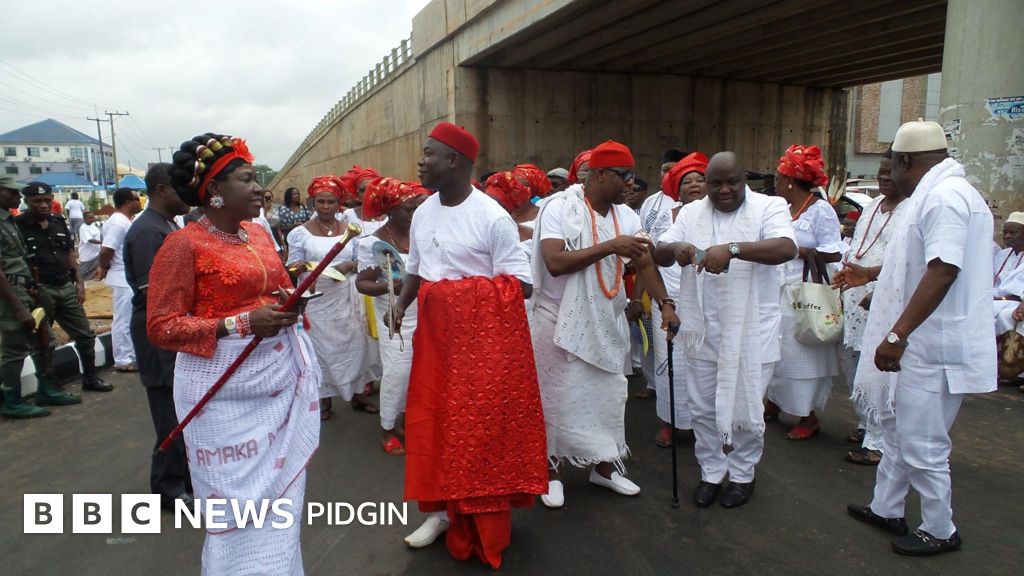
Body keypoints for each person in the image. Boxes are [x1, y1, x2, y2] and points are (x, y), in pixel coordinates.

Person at [148, 133, 318, 574]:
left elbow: (273, 289)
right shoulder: (183, 245)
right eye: (247, 179)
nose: (260, 187)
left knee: (281, 508)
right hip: (222, 395)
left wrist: (292, 297)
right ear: (215, 192)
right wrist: (239, 324)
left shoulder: (258, 233)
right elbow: (162, 327)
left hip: (275, 381)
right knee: (237, 510)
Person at [393, 122, 546, 569]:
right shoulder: (423, 212)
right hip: (435, 341)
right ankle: (440, 512)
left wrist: (454, 297)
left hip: (483, 348)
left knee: (478, 435)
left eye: (428, 154)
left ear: (454, 161)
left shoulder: (491, 217)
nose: (421, 161)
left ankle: (480, 522)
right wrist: (402, 304)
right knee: (433, 425)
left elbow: (522, 285)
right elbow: (416, 269)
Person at [845, 120, 995, 556]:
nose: (891, 173)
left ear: (906, 160)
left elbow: (943, 269)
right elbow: (919, 262)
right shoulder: (944, 193)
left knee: (923, 441)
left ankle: (940, 529)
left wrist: (897, 332)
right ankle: (886, 508)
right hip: (924, 339)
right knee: (896, 430)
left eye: (893, 163)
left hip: (933, 344)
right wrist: (878, 281)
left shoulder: (944, 198)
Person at [531, 140, 680, 509]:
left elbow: (644, 263)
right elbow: (555, 262)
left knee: (607, 397)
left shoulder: (626, 217)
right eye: (623, 175)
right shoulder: (560, 208)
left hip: (605, 319)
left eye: (632, 175)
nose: (630, 182)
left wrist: (665, 304)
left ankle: (604, 467)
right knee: (555, 398)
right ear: (598, 174)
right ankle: (551, 471)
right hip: (555, 318)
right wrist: (612, 246)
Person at [654, 152, 797, 509]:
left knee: (747, 404)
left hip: (753, 329)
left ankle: (743, 474)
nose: (724, 190)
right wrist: (678, 247)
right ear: (706, 183)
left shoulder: (769, 206)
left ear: (744, 178)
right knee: (702, 406)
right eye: (715, 183)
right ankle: (712, 471)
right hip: (702, 328)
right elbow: (660, 251)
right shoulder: (691, 213)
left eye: (732, 182)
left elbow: (786, 247)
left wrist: (733, 250)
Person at [124, 163, 193, 511]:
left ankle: (185, 477)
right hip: (159, 334)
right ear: (162, 190)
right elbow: (156, 293)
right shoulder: (148, 232)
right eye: (180, 187)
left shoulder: (166, 224)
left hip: (171, 330)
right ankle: (168, 487)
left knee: (182, 409)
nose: (187, 194)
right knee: (169, 413)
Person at [765, 144, 844, 440]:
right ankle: (775, 401)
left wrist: (797, 250)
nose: (775, 183)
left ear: (790, 181)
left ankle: (807, 415)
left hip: (805, 295)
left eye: (778, 177)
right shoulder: (781, 209)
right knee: (777, 353)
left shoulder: (820, 210)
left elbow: (835, 252)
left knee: (801, 357)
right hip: (778, 291)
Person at [834, 149, 908, 466]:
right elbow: (857, 248)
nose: (884, 178)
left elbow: (903, 260)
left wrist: (876, 291)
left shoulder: (910, 209)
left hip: (882, 296)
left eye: (890, 172)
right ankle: (866, 422)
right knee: (852, 361)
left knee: (876, 367)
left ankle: (879, 441)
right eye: (881, 172)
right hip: (854, 293)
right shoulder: (873, 205)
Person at [286, 175, 377, 419]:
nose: (326, 207)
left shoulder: (351, 230)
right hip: (316, 300)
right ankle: (324, 401)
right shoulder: (299, 233)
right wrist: (300, 267)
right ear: (313, 203)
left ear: (339, 204)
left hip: (346, 297)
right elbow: (291, 267)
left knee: (354, 345)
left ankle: (357, 394)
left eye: (331, 202)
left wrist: (348, 265)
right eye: (321, 202)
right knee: (321, 350)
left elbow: (361, 261)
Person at [355, 178, 430, 454]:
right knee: (398, 373)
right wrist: (392, 286)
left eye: (417, 208)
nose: (415, 214)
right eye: (409, 209)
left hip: (428, 315)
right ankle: (388, 428)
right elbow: (362, 284)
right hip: (396, 319)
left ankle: (409, 421)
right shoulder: (374, 243)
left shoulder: (422, 234)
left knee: (421, 372)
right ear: (390, 209)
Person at [16, 182, 110, 397]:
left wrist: (79, 281)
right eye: (37, 201)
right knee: (43, 343)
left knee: (85, 335)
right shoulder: (18, 226)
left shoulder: (57, 222)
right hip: (40, 290)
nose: (43, 205)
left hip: (65, 286)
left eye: (46, 200)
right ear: (26, 201)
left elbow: (69, 252)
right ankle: (49, 387)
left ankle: (90, 378)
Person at [650, 152, 708, 447]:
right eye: (687, 181)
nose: (694, 184)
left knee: (703, 364)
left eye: (700, 179)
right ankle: (670, 421)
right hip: (668, 298)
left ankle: (705, 424)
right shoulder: (664, 216)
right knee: (669, 361)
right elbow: (651, 256)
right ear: (677, 189)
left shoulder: (719, 216)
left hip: (706, 300)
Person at [1, 176, 57, 418]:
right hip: (10, 294)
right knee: (14, 349)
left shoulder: (8, 220)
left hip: (25, 289)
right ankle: (12, 401)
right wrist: (18, 307)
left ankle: (46, 389)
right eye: (12, 192)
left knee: (46, 341)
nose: (18, 196)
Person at [98, 187, 141, 372]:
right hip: (121, 276)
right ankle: (123, 359)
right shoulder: (118, 222)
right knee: (123, 319)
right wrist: (104, 267)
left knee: (129, 319)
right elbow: (106, 250)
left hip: (127, 277)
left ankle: (130, 355)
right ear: (128, 202)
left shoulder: (124, 220)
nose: (140, 201)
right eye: (136, 198)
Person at [989, 211, 1024, 384]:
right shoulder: (1002, 254)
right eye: (1005, 232)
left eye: (1013, 232)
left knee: (997, 313)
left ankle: (1012, 368)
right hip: (997, 298)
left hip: (1016, 302)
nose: (1007, 236)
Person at [77, 212, 102, 280]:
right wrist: (102, 242)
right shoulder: (83, 228)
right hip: (87, 256)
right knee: (83, 275)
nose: (92, 219)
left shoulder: (93, 226)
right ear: (85, 219)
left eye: (93, 217)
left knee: (93, 274)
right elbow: (90, 240)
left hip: (95, 255)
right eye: (90, 218)